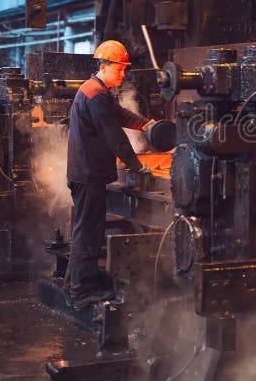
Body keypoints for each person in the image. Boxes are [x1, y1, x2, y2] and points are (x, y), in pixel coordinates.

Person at [66, 40, 154, 310]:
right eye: (120, 69)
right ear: (104, 67)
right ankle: (81, 293)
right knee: (88, 234)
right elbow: (113, 135)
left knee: (85, 231)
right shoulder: (95, 95)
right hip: (88, 175)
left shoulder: (97, 91)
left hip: (86, 173)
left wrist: (147, 124)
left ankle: (78, 281)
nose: (123, 74)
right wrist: (136, 165)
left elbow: (120, 115)